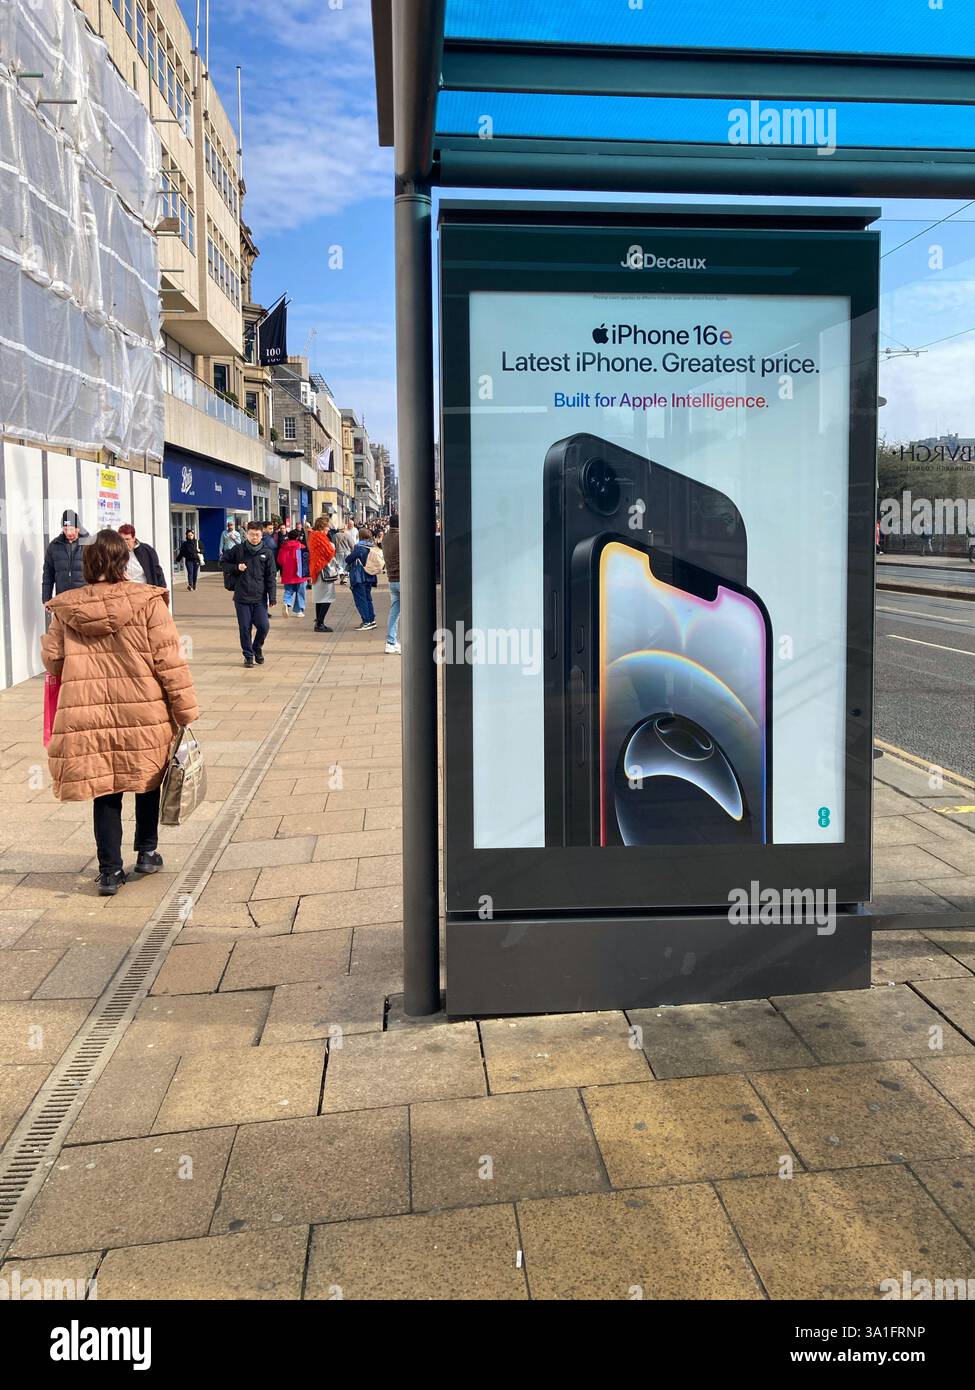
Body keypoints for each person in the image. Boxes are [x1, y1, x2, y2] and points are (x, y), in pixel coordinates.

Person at [41, 529, 199, 896]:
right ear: (124, 563)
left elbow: (53, 661)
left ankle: (109, 871)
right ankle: (146, 852)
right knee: (146, 779)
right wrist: (185, 710)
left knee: (105, 789)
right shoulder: (148, 602)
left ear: (88, 563)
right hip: (143, 708)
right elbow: (169, 660)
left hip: (87, 711)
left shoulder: (67, 608)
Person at [222, 519, 277, 666]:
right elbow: (224, 563)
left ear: (261, 534)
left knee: (264, 626)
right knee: (245, 628)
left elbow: (271, 576)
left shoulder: (267, 553)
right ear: (246, 534)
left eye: (258, 535)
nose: (255, 538)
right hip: (242, 597)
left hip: (259, 597)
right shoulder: (238, 550)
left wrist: (272, 596)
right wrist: (236, 567)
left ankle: (257, 647)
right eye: (252, 534)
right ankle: (248, 656)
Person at [42, 510, 89, 602]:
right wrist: (46, 599)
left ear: (78, 528)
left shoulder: (89, 545)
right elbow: (48, 575)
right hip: (63, 600)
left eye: (71, 529)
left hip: (84, 600)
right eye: (65, 529)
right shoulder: (54, 546)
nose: (68, 533)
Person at [307, 516, 337, 631]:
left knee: (320, 598)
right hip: (322, 570)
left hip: (316, 569)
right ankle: (319, 624)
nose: (329, 529)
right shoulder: (319, 536)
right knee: (327, 598)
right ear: (322, 526)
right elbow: (329, 552)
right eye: (327, 526)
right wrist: (332, 546)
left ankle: (319, 622)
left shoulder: (313, 536)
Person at [118, 523, 167, 591]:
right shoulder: (117, 553)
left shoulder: (147, 550)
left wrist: (163, 591)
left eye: (127, 539)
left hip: (145, 591)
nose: (124, 542)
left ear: (134, 538)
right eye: (122, 540)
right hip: (125, 592)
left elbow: (158, 572)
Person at [347, 524, 377, 630]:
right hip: (370, 575)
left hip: (360, 577)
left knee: (361, 600)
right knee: (368, 598)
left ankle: (366, 621)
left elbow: (348, 559)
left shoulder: (359, 547)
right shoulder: (372, 546)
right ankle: (371, 619)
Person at [277, 529, 308, 617]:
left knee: (288, 590)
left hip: (287, 573)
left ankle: (286, 602)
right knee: (300, 592)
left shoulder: (283, 547)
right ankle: (299, 611)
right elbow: (305, 561)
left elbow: (280, 561)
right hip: (300, 573)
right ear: (298, 537)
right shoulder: (301, 547)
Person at [383, 511, 401, 654]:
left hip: (391, 579)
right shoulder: (401, 538)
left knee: (395, 611)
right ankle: (411, 641)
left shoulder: (385, 538)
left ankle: (391, 642)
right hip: (403, 579)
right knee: (412, 612)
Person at [335, 520, 355, 584]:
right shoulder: (347, 535)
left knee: (340, 566)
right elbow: (352, 545)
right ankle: (345, 578)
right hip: (346, 552)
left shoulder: (335, 535)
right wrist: (353, 551)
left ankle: (342, 577)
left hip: (338, 552)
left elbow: (333, 544)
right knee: (346, 565)